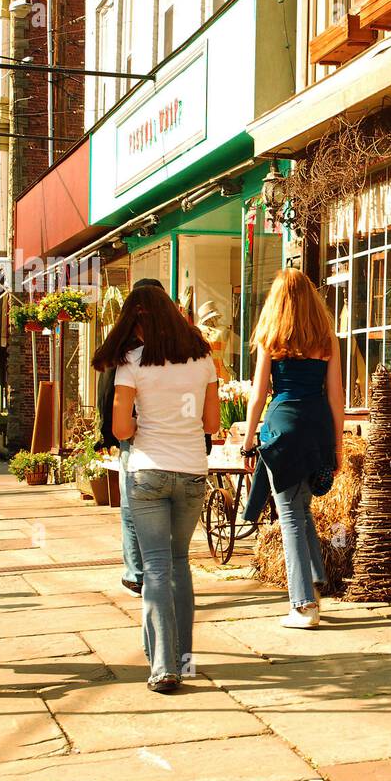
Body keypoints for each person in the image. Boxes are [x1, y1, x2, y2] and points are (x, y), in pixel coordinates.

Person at [92, 278, 219, 692]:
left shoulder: (132, 362)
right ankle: (184, 660)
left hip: (147, 472)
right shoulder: (203, 359)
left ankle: (163, 666)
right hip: (192, 472)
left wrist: (146, 421)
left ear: (138, 322)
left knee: (157, 569)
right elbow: (212, 424)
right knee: (181, 563)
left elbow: (121, 427)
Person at [241, 268, 345, 629]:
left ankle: (302, 606)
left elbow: (257, 397)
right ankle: (315, 580)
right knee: (301, 511)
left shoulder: (271, 338)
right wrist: (338, 446)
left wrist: (247, 438)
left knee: (289, 517)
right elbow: (336, 398)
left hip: (282, 427)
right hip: (317, 428)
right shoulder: (327, 339)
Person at [93, 360, 143, 597]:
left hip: (134, 432)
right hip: (175, 437)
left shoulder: (125, 353)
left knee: (131, 506)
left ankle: (136, 575)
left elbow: (107, 392)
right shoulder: (177, 345)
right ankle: (155, 574)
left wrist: (105, 433)